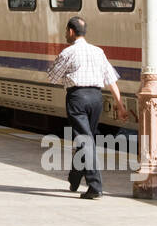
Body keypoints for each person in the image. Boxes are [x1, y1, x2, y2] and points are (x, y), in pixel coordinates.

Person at [47, 16, 129, 200]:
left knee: (85, 141)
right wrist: (120, 105)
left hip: (77, 98)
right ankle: (75, 177)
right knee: (86, 140)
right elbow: (111, 79)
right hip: (96, 98)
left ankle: (95, 186)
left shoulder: (68, 53)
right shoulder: (98, 52)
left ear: (70, 31)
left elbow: (52, 77)